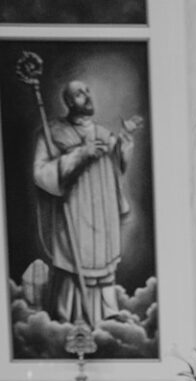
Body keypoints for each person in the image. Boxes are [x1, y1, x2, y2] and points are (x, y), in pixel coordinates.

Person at [31, 78, 143, 325]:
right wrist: (81, 154)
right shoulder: (53, 134)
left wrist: (125, 138)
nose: (87, 96)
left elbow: (118, 164)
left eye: (87, 90)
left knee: (104, 265)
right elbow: (41, 174)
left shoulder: (103, 133)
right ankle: (72, 319)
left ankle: (108, 316)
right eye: (79, 94)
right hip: (75, 212)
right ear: (69, 102)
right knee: (75, 264)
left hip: (102, 212)